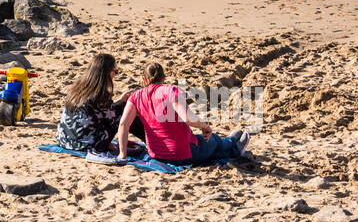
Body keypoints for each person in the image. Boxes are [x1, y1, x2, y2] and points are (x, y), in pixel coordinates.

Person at [115, 62, 250, 165]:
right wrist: (205, 126)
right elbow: (188, 118)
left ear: (144, 80)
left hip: (156, 154)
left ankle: (232, 141)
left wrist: (122, 154)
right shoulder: (171, 91)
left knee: (206, 142)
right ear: (164, 77)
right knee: (213, 139)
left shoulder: (136, 96)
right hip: (183, 153)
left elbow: (123, 124)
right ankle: (234, 145)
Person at [56, 53, 133, 154]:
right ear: (108, 72)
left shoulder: (77, 87)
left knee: (117, 109)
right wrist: (127, 105)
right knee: (128, 113)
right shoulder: (100, 93)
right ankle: (152, 145)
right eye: (115, 71)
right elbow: (111, 119)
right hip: (86, 145)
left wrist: (119, 101)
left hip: (65, 140)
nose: (115, 75)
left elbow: (99, 111)